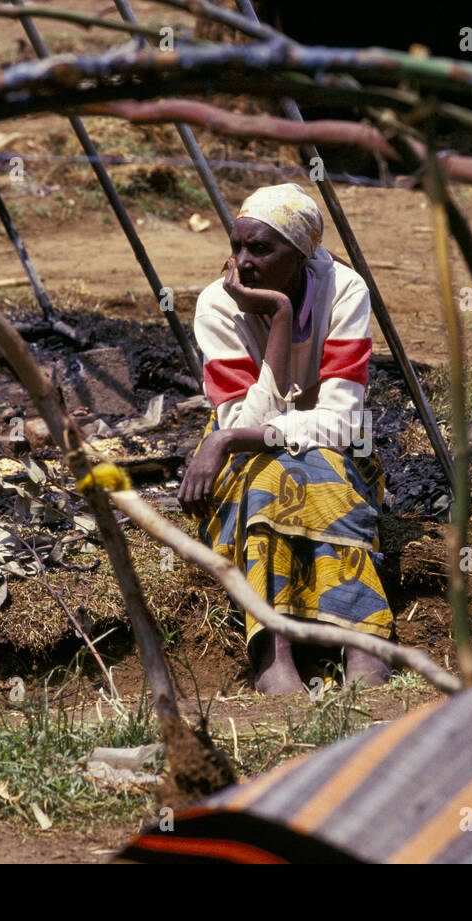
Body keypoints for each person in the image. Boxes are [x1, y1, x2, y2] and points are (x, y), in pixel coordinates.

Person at [178, 183, 393, 695]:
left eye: (261, 249)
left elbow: (341, 422)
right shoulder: (217, 305)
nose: (242, 261)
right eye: (237, 246)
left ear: (302, 255)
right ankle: (273, 651)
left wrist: (241, 440)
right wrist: (276, 323)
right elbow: (236, 421)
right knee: (272, 479)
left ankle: (360, 641)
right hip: (246, 438)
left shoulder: (345, 291)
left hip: (334, 443)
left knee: (322, 471)